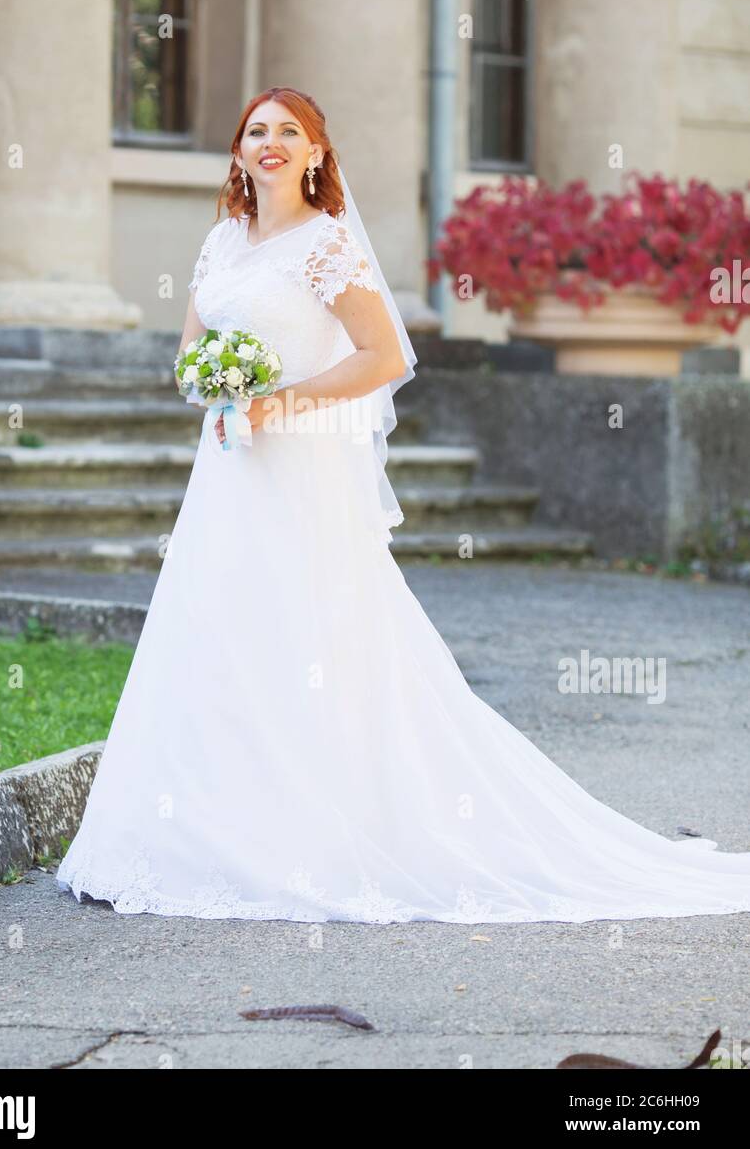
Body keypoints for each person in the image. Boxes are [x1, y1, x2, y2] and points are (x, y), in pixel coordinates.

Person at [55, 87, 750, 924]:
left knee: (313, 632)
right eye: (255, 132)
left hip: (298, 467)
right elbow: (187, 358)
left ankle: (319, 837)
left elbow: (383, 354)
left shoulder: (327, 244)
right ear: (238, 151)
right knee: (215, 627)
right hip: (229, 469)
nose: (269, 144)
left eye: (288, 133)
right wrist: (217, 383)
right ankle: (190, 836)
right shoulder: (220, 243)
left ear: (316, 153)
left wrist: (286, 397)